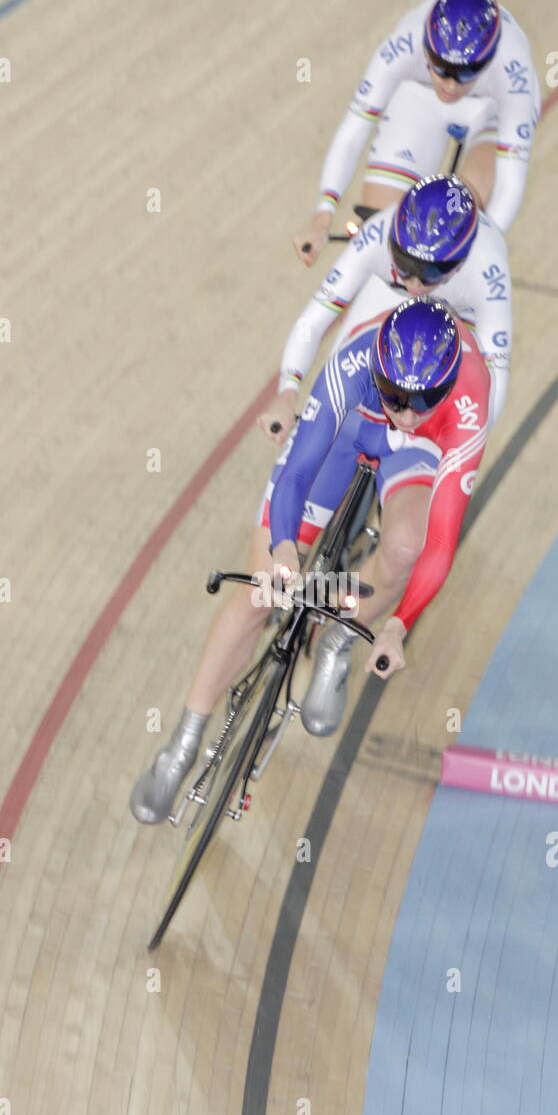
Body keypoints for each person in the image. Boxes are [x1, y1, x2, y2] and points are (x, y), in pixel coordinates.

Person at [131, 297, 491, 824]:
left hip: (418, 453)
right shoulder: (353, 363)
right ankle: (181, 746)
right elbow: (298, 472)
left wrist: (397, 627)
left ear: (450, 384)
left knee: (406, 547)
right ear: (378, 371)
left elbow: (441, 542)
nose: (408, 413)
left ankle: (340, 638)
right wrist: (282, 553)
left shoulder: (468, 400)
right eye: (395, 395)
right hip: (349, 432)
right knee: (259, 591)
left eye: (424, 400)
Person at [292, 0, 539, 266]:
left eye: (465, 72)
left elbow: (510, 183)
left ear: (487, 60)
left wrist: (475, 255)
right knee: (380, 249)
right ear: (426, 47)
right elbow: (353, 131)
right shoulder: (402, 47)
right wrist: (323, 217)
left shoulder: (514, 76)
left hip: (489, 109)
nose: (450, 84)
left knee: (460, 219)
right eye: (441, 66)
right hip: (420, 97)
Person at [260, 173, 511, 445]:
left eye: (431, 272)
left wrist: (462, 446)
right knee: (334, 389)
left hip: (459, 312)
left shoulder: (488, 273)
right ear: (393, 240)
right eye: (405, 263)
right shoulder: (376, 235)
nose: (414, 283)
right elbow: (314, 320)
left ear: (460, 262)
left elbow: (494, 373)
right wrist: (288, 393)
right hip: (390, 294)